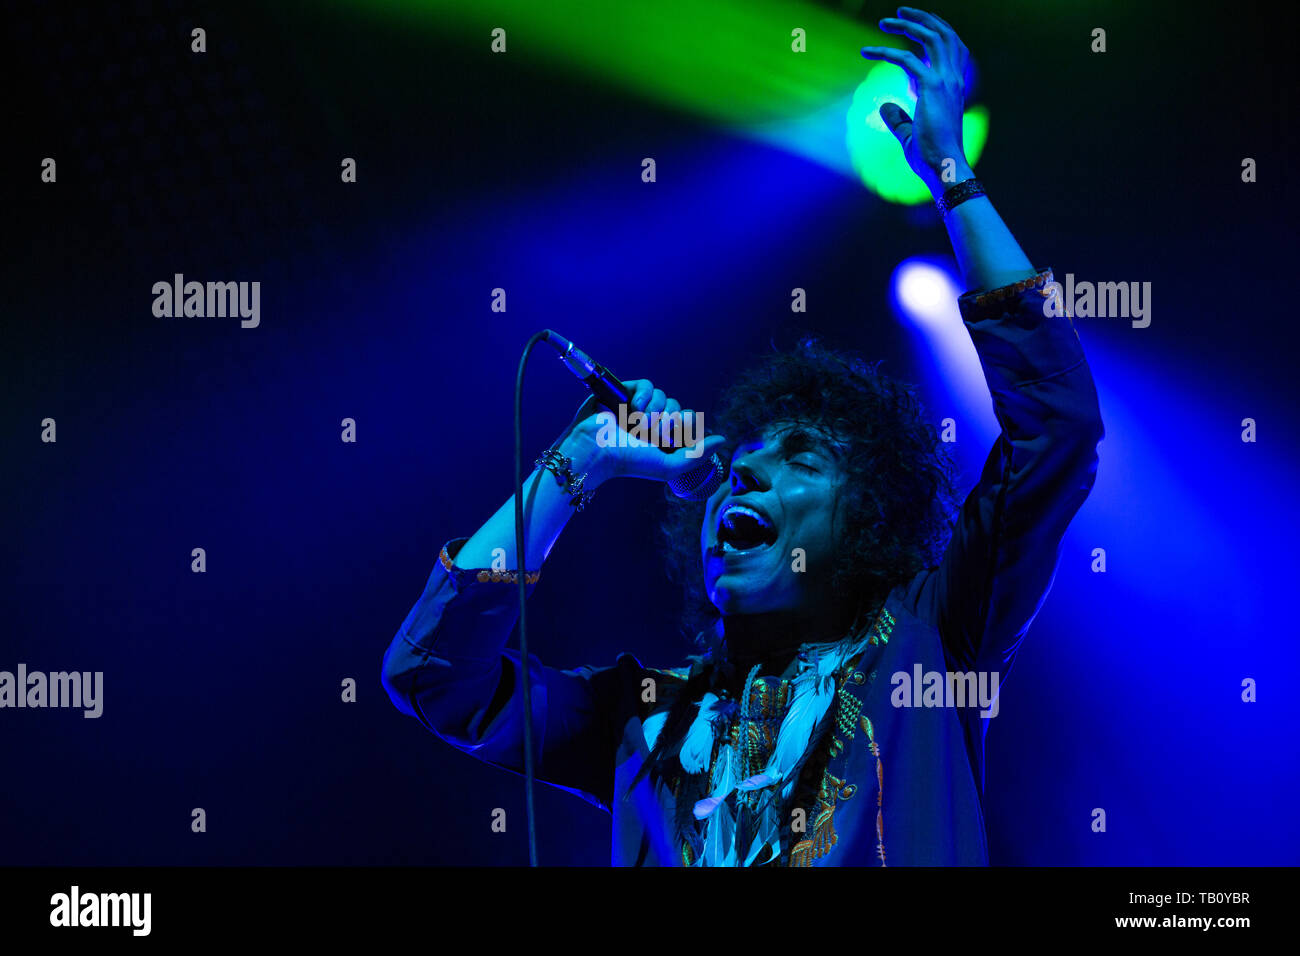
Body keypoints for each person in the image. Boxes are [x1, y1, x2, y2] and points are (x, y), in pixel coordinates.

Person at [382, 7, 1104, 865]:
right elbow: (436, 676)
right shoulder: (642, 714)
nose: (744, 476)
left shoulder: (929, 641)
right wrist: (580, 462)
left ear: (868, 521)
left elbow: (1056, 426)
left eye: (800, 458)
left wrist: (950, 172)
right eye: (741, 461)